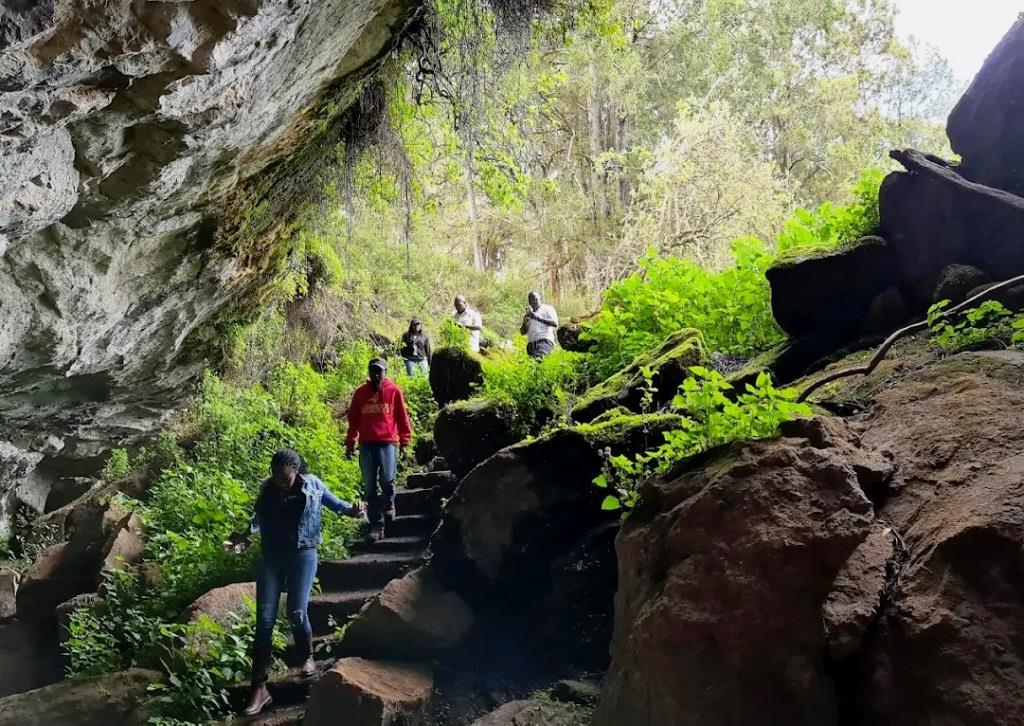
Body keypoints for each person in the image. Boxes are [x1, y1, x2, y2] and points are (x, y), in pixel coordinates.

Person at [224, 449, 363, 716]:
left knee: (297, 612)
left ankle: (306, 657)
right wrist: (242, 537)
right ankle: (259, 688)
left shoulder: (314, 485)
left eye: (284, 478)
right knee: (264, 620)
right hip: (271, 558)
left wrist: (356, 510)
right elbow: (256, 520)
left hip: (303, 554)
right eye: (275, 476)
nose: (279, 481)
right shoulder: (267, 488)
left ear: (296, 471)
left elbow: (340, 506)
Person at [345, 358, 413, 542]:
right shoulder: (360, 393)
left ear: (385, 372)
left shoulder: (394, 391)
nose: (376, 375)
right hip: (366, 444)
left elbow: (402, 418)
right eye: (372, 371)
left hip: (387, 442)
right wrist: (351, 442)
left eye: (379, 371)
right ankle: (376, 525)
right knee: (369, 486)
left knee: (387, 479)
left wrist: (405, 442)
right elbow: (354, 421)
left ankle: (389, 502)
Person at [521, 290, 558, 359]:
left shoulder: (547, 308)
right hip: (531, 344)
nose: (533, 302)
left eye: (535, 299)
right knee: (532, 366)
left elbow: (555, 323)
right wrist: (525, 322)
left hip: (544, 340)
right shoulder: (529, 314)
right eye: (531, 300)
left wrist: (536, 317)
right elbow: (522, 332)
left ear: (539, 298)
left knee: (539, 361)